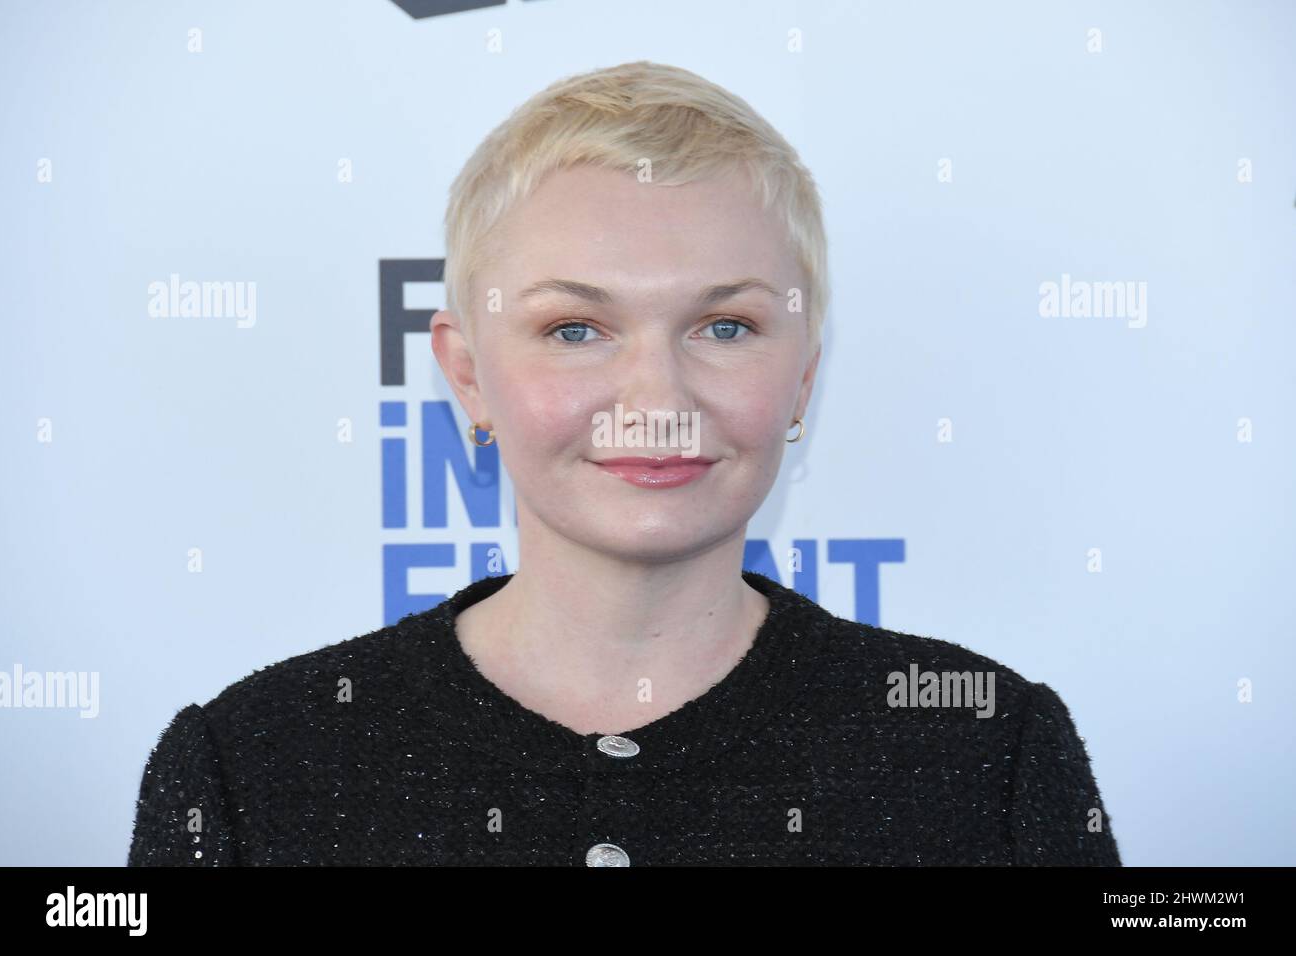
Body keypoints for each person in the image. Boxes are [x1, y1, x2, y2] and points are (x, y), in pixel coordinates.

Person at [127, 60, 1120, 866]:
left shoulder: (987, 751)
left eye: (724, 325)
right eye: (575, 329)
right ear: (466, 377)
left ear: (804, 376)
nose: (656, 400)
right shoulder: (253, 768)